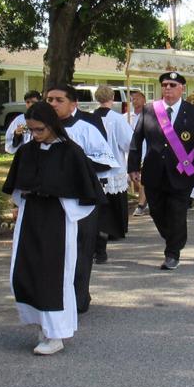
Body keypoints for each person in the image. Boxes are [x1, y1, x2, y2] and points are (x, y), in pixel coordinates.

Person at [5, 102, 103, 356]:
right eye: (32, 130)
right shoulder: (27, 151)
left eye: (40, 130)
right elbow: (17, 186)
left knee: (53, 273)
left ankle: (56, 333)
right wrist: (20, 200)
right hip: (30, 215)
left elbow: (85, 190)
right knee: (26, 269)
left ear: (52, 125)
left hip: (57, 217)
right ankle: (41, 325)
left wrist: (58, 198)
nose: (35, 135)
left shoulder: (71, 152)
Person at [128, 71, 194, 270]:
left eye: (172, 85)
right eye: (165, 85)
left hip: (182, 172)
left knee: (177, 213)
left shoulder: (193, 113)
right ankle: (176, 238)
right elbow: (136, 140)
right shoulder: (149, 110)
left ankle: (172, 253)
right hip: (153, 172)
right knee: (157, 212)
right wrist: (133, 166)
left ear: (182, 89)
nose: (168, 88)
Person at [45, 85, 116, 306]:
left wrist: (74, 164)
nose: (53, 104)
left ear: (73, 104)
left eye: (59, 100)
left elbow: (106, 160)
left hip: (82, 197)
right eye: (49, 100)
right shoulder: (40, 131)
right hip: (50, 199)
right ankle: (53, 295)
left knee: (81, 246)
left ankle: (78, 296)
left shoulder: (86, 128)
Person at [93, 86, 134, 252]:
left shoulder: (89, 118)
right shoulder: (117, 119)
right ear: (112, 98)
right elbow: (128, 142)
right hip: (115, 164)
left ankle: (100, 228)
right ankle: (116, 229)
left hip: (96, 166)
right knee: (114, 198)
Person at [126, 88, 150, 215]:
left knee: (144, 178)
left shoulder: (150, 115)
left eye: (137, 98)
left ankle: (141, 203)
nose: (135, 101)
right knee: (136, 179)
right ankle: (143, 200)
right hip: (132, 152)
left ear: (144, 99)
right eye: (132, 99)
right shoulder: (126, 117)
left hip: (147, 150)